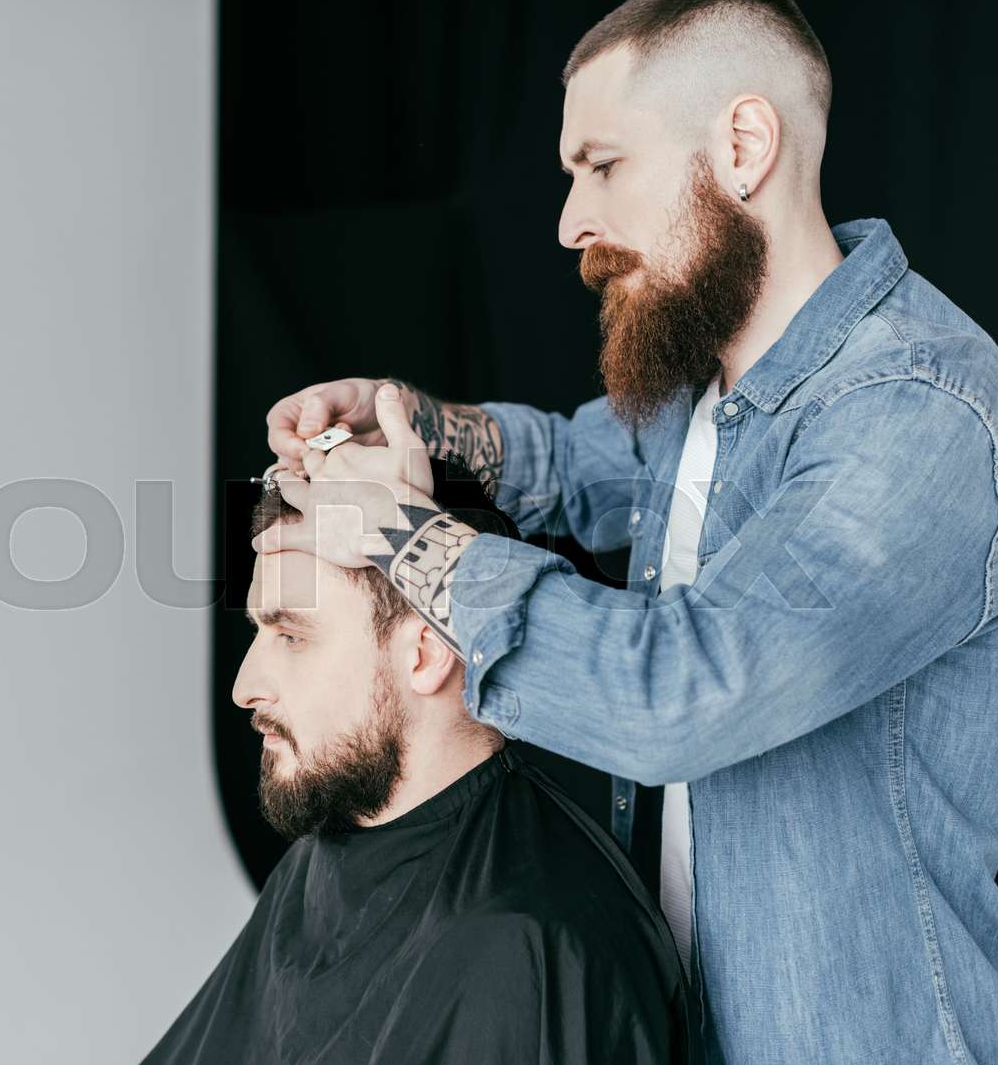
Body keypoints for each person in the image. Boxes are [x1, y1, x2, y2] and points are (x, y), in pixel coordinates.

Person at [258, 0, 998, 1062]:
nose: (569, 222)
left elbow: (683, 691)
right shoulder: (705, 389)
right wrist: (412, 422)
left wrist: (408, 539)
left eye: (602, 166)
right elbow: (580, 465)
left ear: (741, 145)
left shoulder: (920, 414)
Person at [142, 456, 687, 1064]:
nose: (244, 686)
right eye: (257, 635)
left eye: (291, 636)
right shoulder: (315, 873)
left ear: (425, 656)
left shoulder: (531, 942)